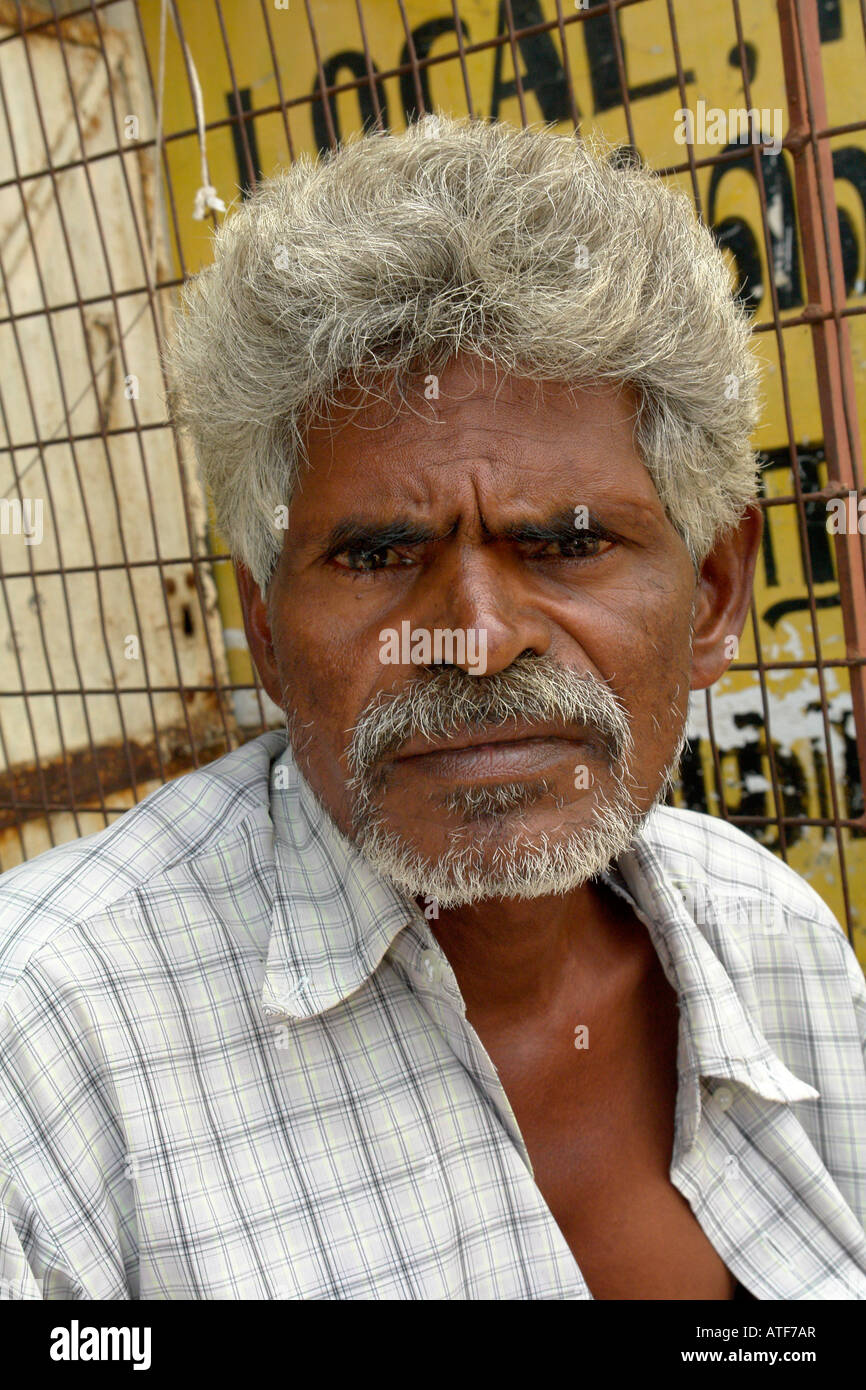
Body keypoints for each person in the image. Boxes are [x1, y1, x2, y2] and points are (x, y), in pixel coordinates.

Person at [1, 115, 864, 1301]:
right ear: (262, 625)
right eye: (375, 554)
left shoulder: (772, 938)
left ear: (711, 595)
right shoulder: (47, 1051)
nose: (471, 634)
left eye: (565, 542)